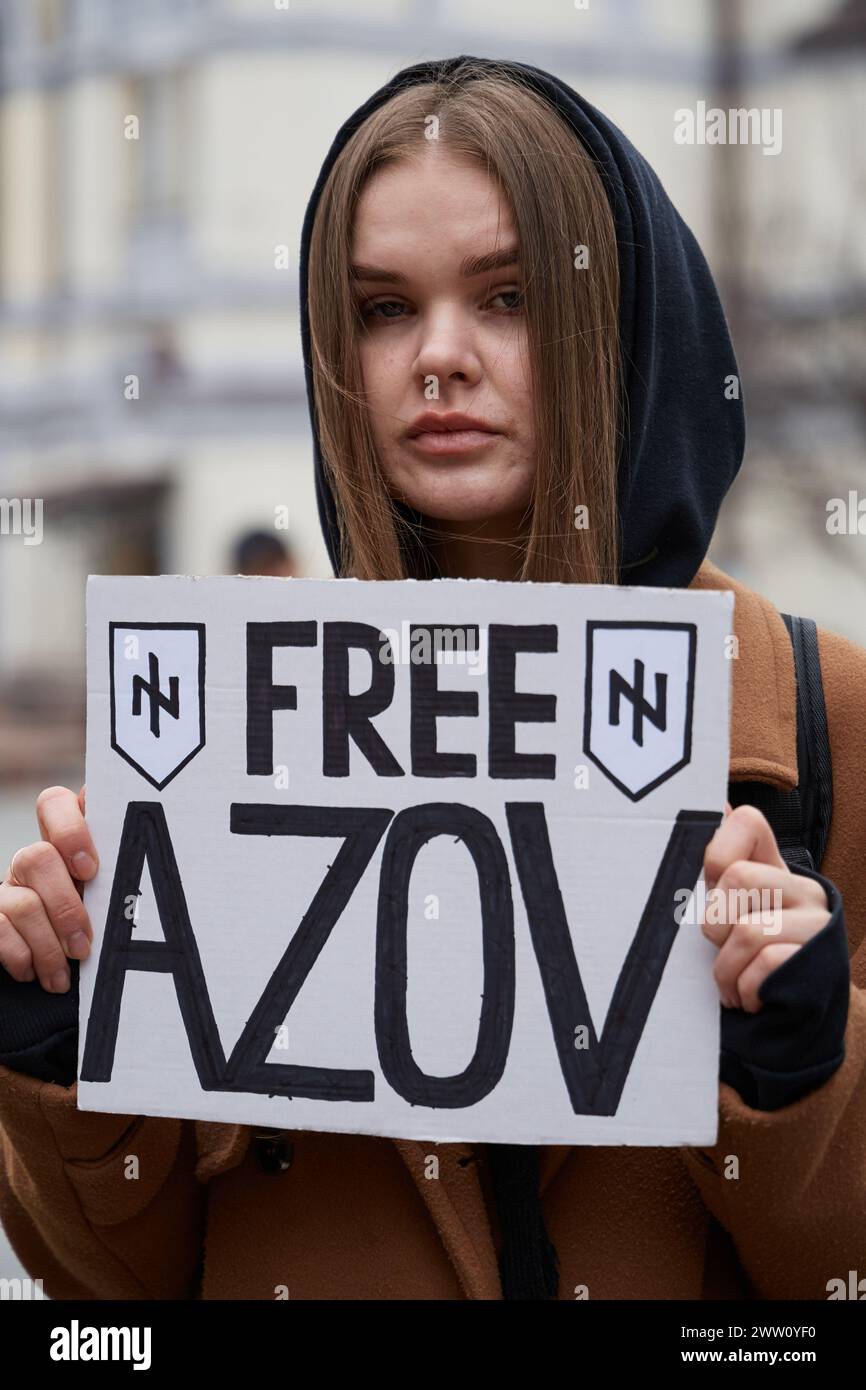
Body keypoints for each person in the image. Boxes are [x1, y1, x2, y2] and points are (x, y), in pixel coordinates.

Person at [0, 55, 863, 1301]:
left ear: (613, 318)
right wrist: (58, 1055)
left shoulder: (818, 718)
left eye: (508, 296)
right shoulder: (221, 723)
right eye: (382, 308)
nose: (440, 358)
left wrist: (797, 1073)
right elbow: (119, 1300)